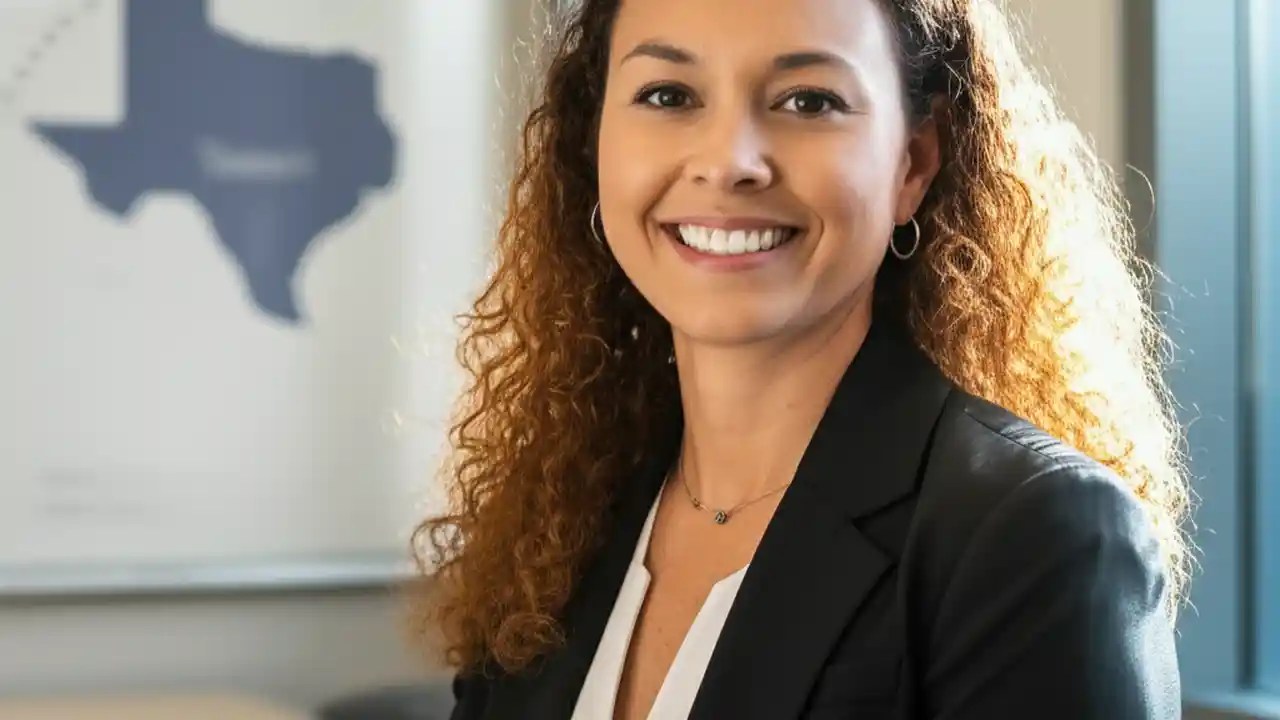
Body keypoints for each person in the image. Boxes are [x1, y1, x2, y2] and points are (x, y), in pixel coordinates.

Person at [410, 0, 1190, 717]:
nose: (729, 163)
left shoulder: (1036, 536)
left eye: (808, 101)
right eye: (669, 95)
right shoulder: (567, 515)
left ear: (912, 165)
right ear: (595, 144)